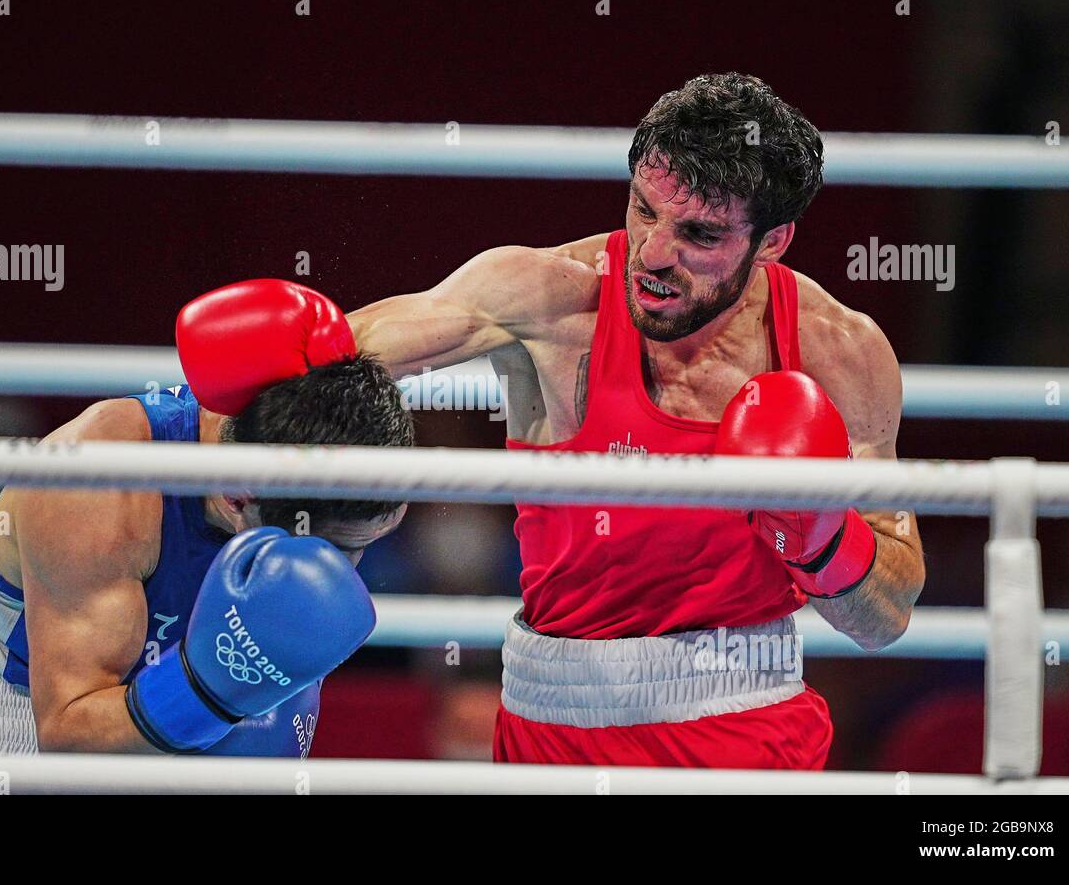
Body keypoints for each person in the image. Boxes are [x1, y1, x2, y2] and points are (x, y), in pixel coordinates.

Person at [348, 72, 926, 768]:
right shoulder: (548, 298)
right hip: (549, 723)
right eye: (644, 209)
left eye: (700, 234)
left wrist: (820, 537)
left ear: (772, 242)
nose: (654, 253)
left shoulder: (841, 352)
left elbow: (885, 617)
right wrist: (192, 409)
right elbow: (325, 353)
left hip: (746, 722)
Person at [0, 279, 414, 756]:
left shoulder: (324, 402)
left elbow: (473, 309)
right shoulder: (98, 476)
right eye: (332, 546)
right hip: (20, 739)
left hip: (187, 732)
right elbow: (67, 730)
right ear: (238, 496)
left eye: (366, 542)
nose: (342, 567)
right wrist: (210, 690)